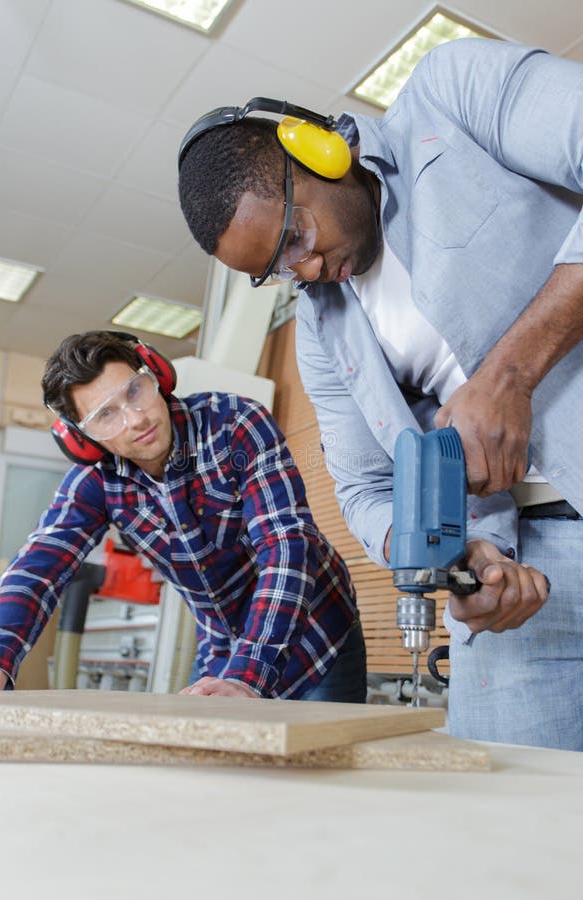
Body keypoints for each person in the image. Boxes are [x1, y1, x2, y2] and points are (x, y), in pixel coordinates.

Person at [177, 37, 583, 749]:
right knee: (507, 805)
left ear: (318, 151)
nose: (306, 269)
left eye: (297, 235)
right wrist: (456, 556)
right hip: (527, 564)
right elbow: (365, 487)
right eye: (280, 269)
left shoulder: (451, 99)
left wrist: (511, 373)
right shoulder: (322, 331)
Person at [0, 331, 366, 702]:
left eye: (134, 391)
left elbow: (285, 544)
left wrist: (246, 677)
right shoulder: (96, 480)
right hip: (222, 650)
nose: (134, 420)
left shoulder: (235, 425)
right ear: (83, 439)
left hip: (317, 640)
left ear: (156, 375)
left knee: (322, 765)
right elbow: (37, 566)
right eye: (105, 415)